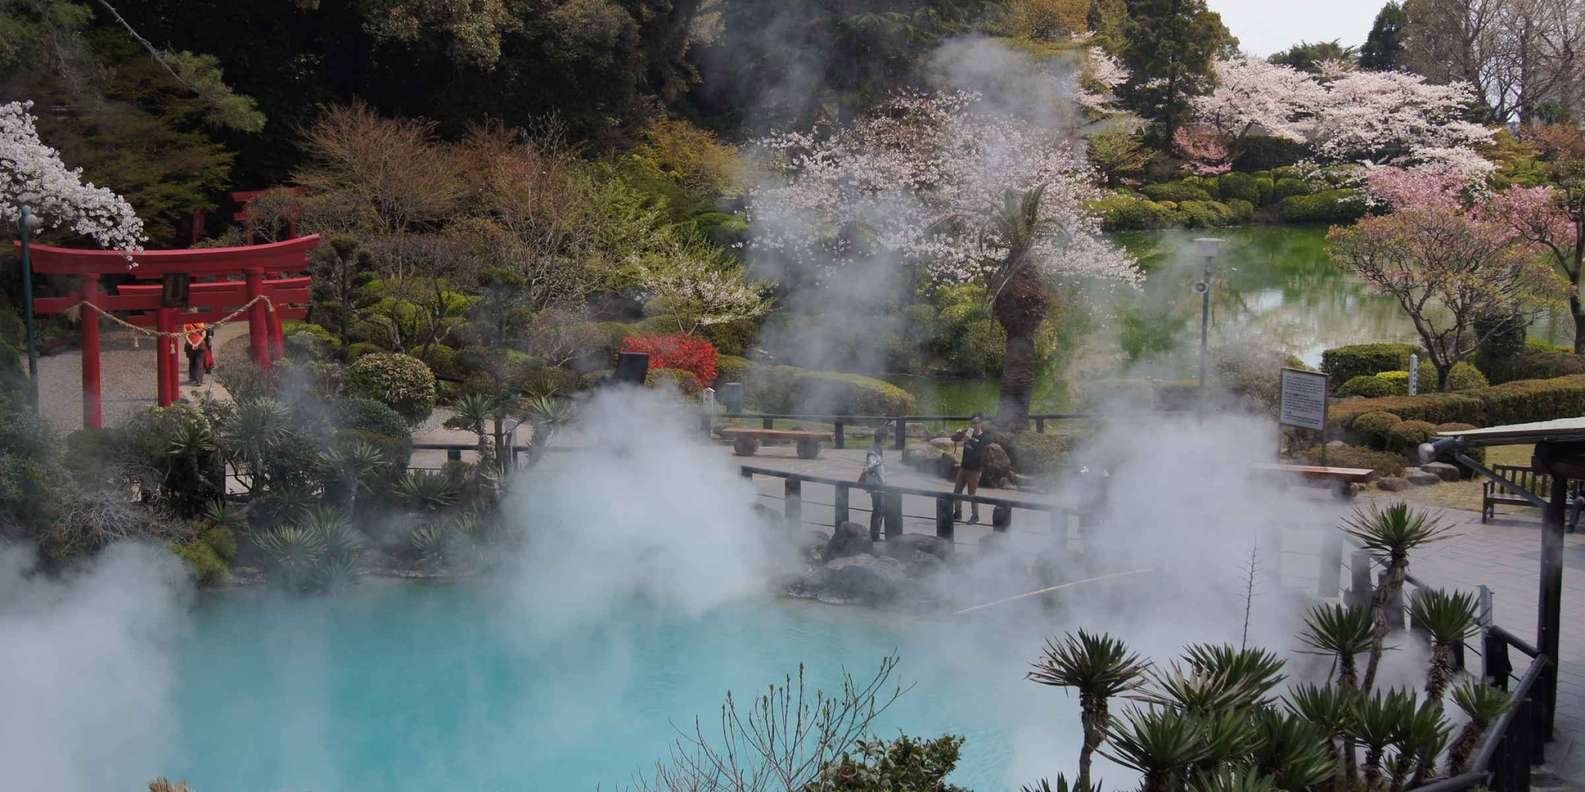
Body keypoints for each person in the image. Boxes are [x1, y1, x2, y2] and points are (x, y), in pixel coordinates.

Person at [951, 414, 988, 523]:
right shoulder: (968, 432)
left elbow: (978, 450)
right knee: (956, 492)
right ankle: (957, 514)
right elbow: (954, 438)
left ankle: (975, 516)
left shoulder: (984, 437)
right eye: (972, 423)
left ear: (980, 423)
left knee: (971, 494)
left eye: (976, 423)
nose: (973, 425)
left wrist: (969, 440)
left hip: (975, 470)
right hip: (963, 468)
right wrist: (959, 433)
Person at [862, 428, 889, 538]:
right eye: (886, 438)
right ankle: (874, 535)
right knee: (878, 509)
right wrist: (882, 481)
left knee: (879, 509)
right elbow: (871, 465)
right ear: (882, 438)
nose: (886, 440)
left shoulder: (877, 448)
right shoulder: (873, 451)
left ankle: (875, 534)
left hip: (878, 483)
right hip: (876, 484)